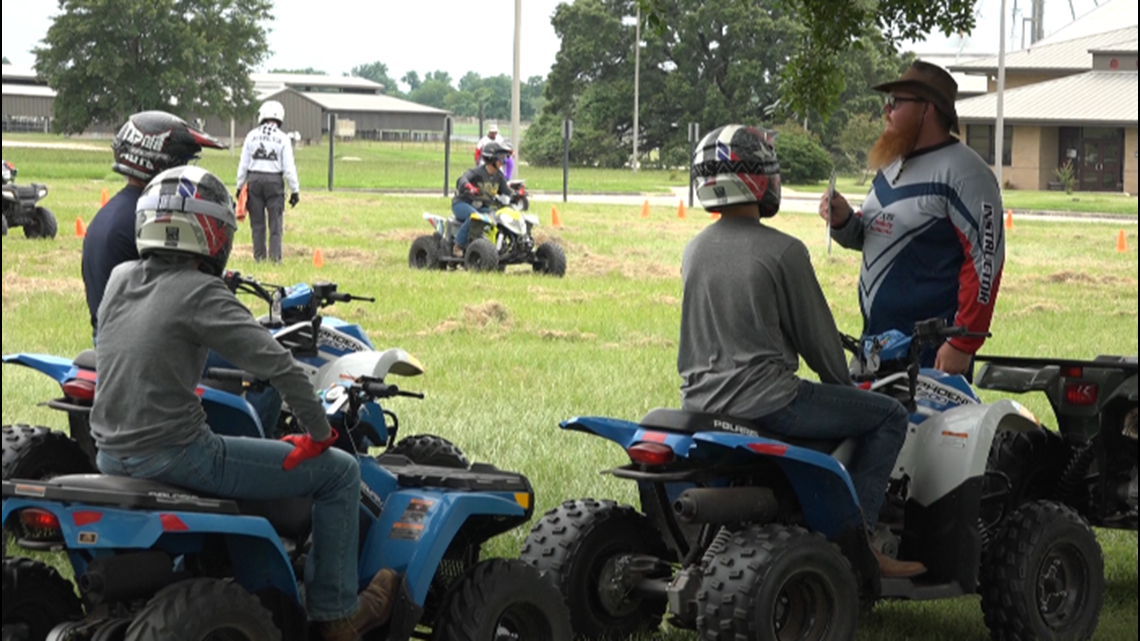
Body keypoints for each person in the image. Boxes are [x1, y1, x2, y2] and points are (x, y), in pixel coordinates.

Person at [90, 166, 395, 641]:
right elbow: (280, 366)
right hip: (182, 455)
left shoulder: (121, 277)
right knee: (340, 472)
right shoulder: (200, 292)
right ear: (212, 234)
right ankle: (337, 614)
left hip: (109, 451)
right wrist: (319, 433)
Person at [680, 125, 925, 578]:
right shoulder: (782, 251)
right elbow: (821, 346)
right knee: (889, 415)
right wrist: (846, 383)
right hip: (770, 401)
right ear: (758, 180)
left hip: (698, 402)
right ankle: (864, 543)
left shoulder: (694, 250)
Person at [821, 61, 1005, 376]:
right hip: (876, 347)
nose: (886, 110)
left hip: (931, 355)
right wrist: (843, 221)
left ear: (927, 109)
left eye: (896, 102)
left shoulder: (965, 173)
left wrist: (964, 342)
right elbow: (879, 235)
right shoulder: (892, 164)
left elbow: (985, 259)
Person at [82, 111, 226, 337]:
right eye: (184, 163)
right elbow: (177, 294)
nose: (186, 171)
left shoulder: (116, 212)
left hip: (115, 333)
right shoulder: (147, 220)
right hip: (136, 341)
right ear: (160, 163)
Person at [237, 100, 301, 263]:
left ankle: (259, 257)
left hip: (254, 180)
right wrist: (295, 190)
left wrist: (239, 186)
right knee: (275, 223)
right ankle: (275, 259)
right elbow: (288, 167)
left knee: (257, 224)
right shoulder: (283, 138)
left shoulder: (251, 136)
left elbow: (243, 164)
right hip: (274, 182)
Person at [451, 141, 515, 255]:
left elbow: (507, 192)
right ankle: (458, 246)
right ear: (491, 159)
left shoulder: (499, 176)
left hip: (481, 207)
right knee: (475, 217)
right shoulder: (477, 172)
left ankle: (496, 245)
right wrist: (468, 186)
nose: (503, 160)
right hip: (462, 203)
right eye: (500, 157)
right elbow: (462, 179)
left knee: (498, 216)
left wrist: (517, 195)